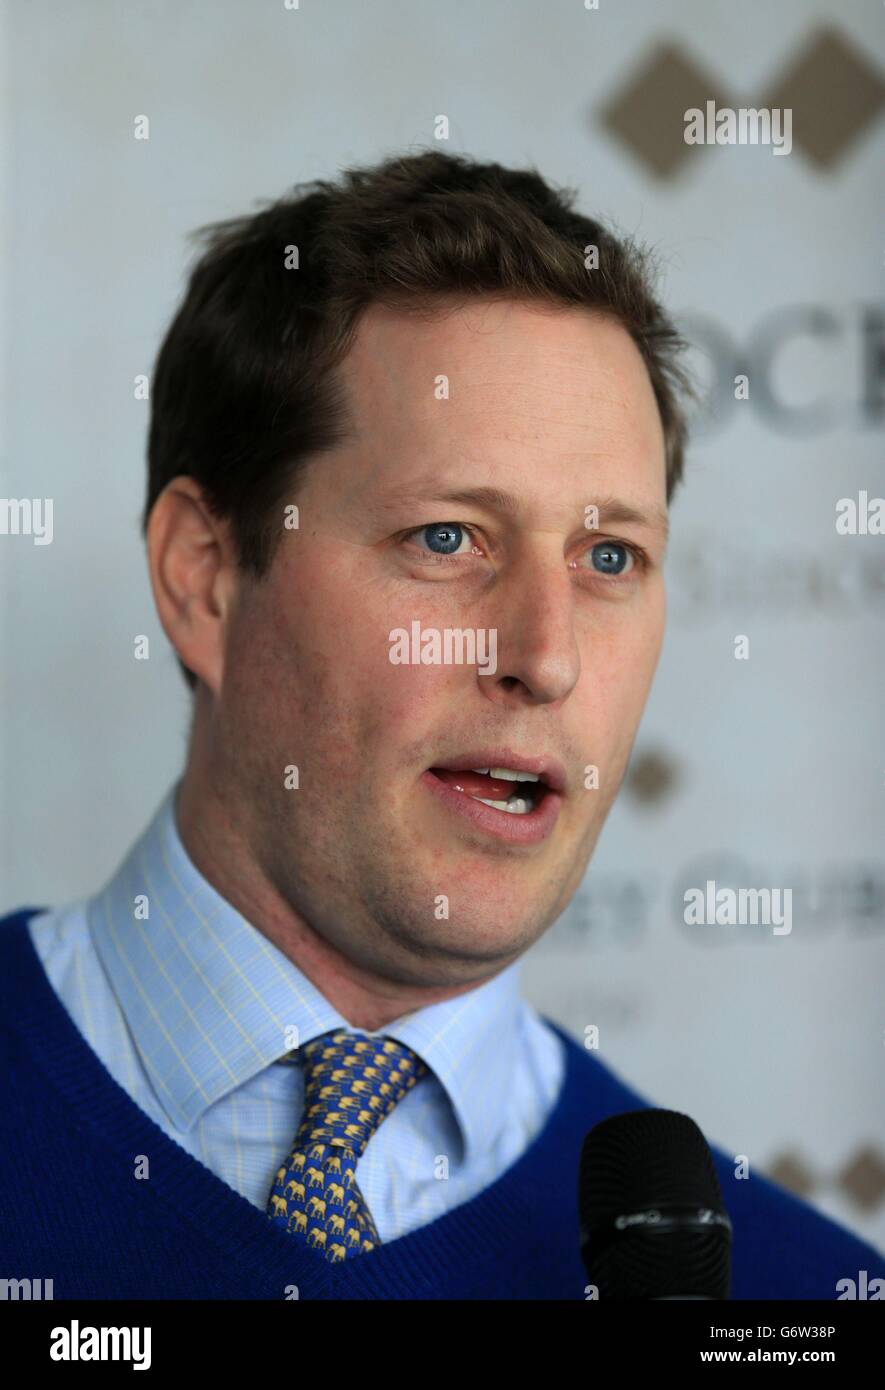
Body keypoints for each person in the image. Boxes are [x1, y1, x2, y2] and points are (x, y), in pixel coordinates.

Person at [1, 150, 881, 1299]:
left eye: (610, 556)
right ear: (206, 578)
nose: (546, 657)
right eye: (449, 538)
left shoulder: (791, 1300)